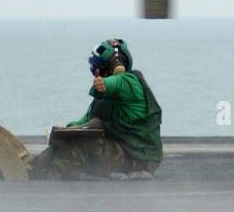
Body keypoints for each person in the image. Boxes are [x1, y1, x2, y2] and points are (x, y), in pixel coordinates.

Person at [30, 38, 164, 180]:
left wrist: (104, 83)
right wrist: (69, 129)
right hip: (122, 151)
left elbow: (118, 82)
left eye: (96, 68)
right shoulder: (105, 99)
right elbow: (87, 120)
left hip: (138, 157)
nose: (94, 72)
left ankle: (60, 179)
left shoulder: (131, 83)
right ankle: (32, 170)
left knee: (79, 144)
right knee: (65, 142)